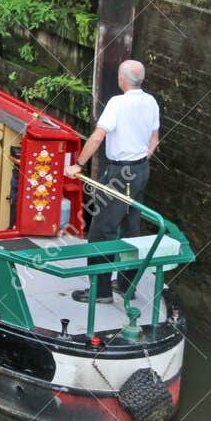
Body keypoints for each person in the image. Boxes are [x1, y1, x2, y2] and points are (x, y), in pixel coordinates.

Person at [64, 59, 160, 303]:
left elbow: (97, 138)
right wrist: (140, 159)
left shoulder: (117, 103)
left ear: (122, 79)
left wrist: (79, 164)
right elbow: (154, 139)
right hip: (141, 170)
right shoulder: (151, 102)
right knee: (131, 227)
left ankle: (101, 290)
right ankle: (126, 284)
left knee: (101, 231)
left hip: (120, 174)